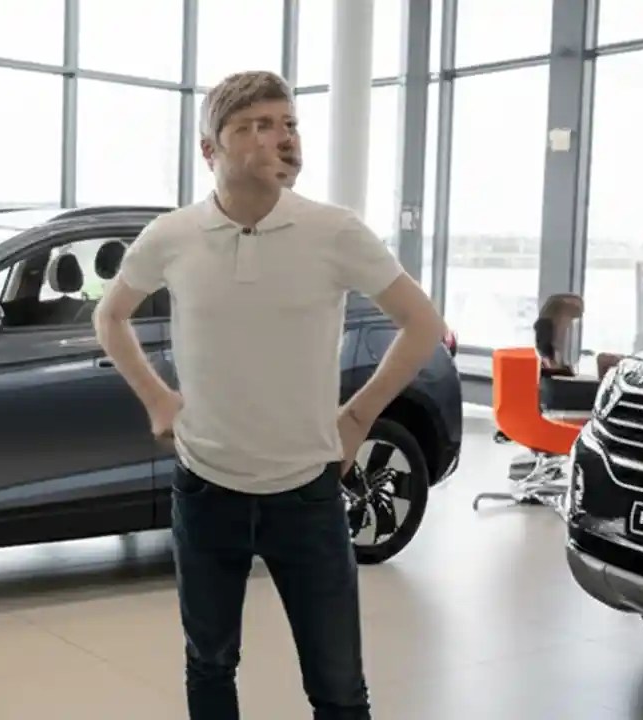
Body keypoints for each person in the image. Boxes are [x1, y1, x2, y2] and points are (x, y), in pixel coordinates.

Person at [92, 70, 446, 720]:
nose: (278, 138)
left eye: (287, 124)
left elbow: (424, 324)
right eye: (254, 126)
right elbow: (108, 316)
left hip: (305, 493)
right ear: (210, 150)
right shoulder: (172, 236)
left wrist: (359, 415)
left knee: (339, 689)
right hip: (205, 490)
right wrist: (158, 398)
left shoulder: (333, 231)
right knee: (210, 665)